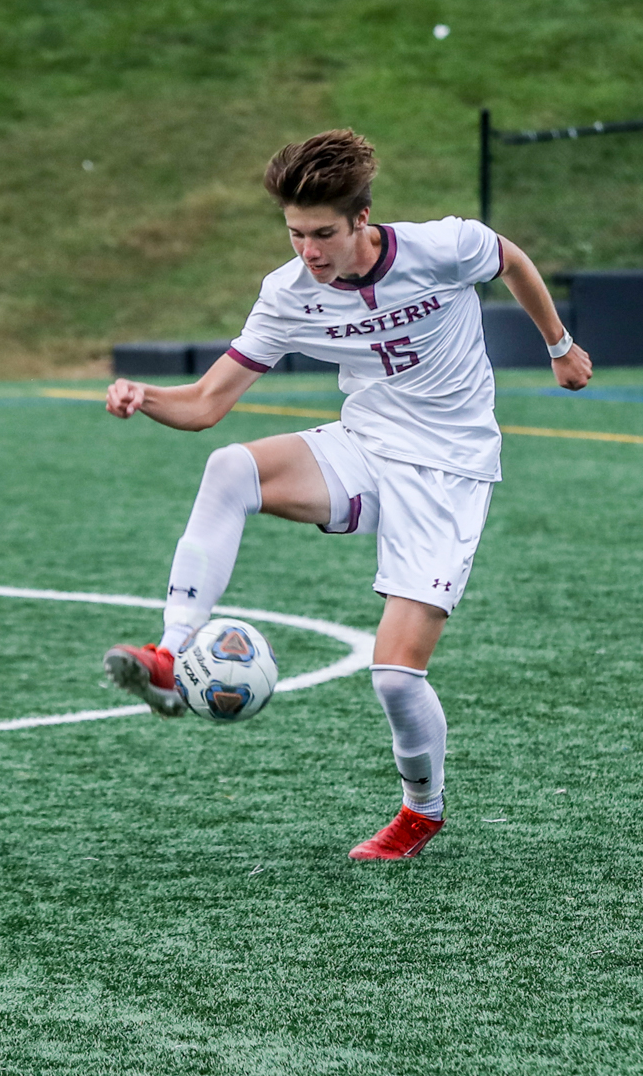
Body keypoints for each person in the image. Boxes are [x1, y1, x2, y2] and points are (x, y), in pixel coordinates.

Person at [101, 130, 592, 861]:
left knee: (396, 678)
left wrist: (558, 345)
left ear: (363, 218)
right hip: (365, 449)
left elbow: (511, 260)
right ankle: (171, 656)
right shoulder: (288, 293)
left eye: (324, 233)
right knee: (230, 467)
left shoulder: (443, 247)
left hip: (449, 473)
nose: (310, 251)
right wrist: (145, 397)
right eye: (296, 234)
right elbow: (206, 404)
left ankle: (421, 811)